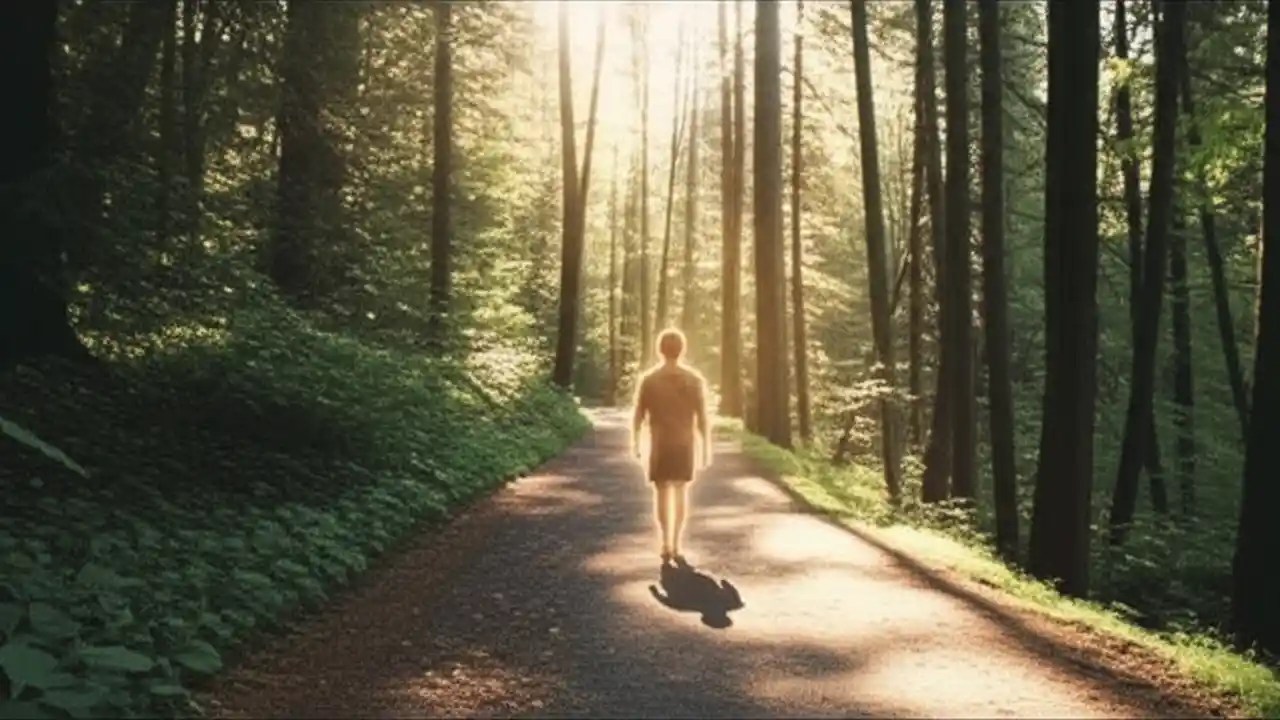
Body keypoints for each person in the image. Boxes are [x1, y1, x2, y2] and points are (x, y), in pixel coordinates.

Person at [631, 328, 711, 565]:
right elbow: (702, 417)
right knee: (680, 491)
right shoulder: (694, 379)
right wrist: (706, 446)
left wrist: (635, 442)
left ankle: (665, 542)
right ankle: (677, 542)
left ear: (660, 349)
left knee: (662, 492)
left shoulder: (649, 380)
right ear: (682, 349)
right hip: (684, 443)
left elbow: (638, 414)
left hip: (660, 444)